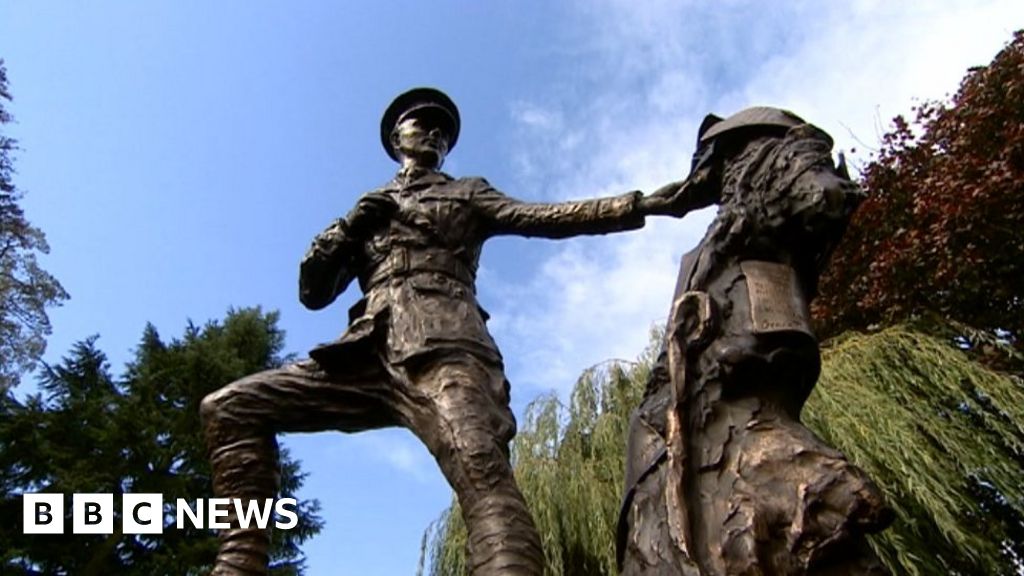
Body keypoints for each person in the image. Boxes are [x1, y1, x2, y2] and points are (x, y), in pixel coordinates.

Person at [200, 87, 708, 576]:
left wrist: (639, 205)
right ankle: (239, 561)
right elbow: (313, 292)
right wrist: (350, 227)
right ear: (397, 138)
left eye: (443, 131)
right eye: (422, 124)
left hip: (445, 349)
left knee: (481, 471)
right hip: (363, 355)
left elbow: (543, 217)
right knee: (229, 408)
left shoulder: (467, 193)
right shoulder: (367, 210)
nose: (434, 134)